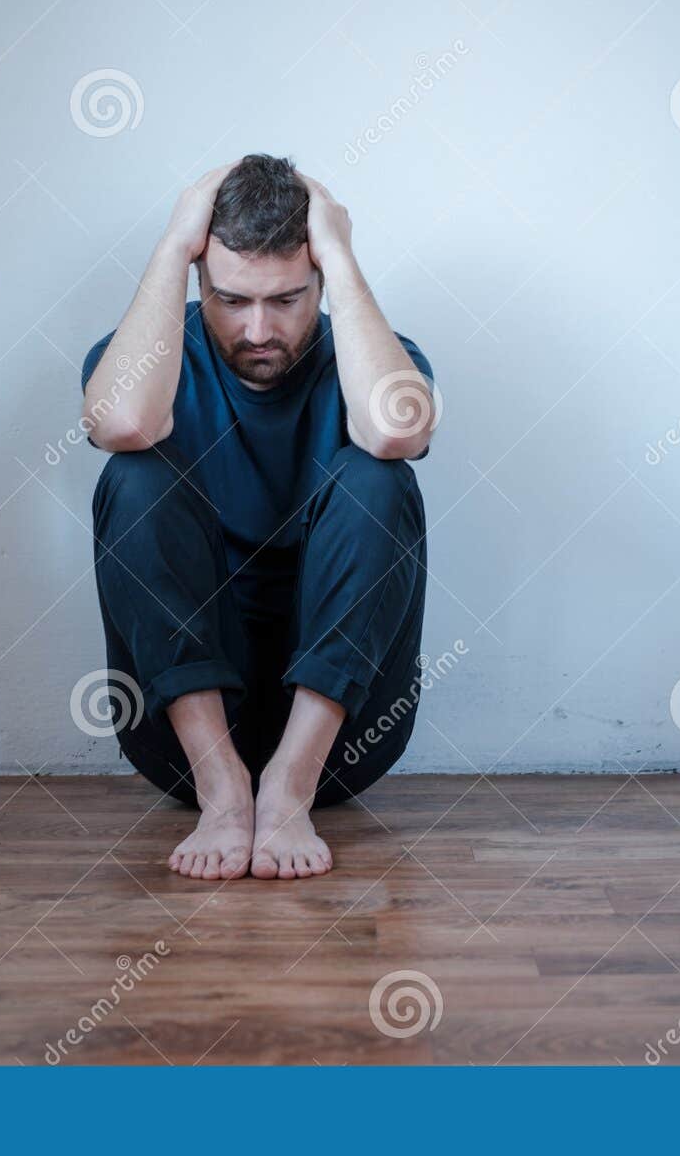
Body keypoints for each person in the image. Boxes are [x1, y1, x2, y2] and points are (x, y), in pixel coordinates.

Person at [79, 154, 439, 882]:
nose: (257, 329)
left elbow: (398, 431)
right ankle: (225, 789)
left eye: (286, 300)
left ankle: (286, 787)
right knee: (135, 469)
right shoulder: (151, 356)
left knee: (378, 474)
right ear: (198, 277)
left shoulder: (368, 358)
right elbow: (120, 420)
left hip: (345, 736)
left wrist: (338, 252)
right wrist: (169, 247)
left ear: (320, 283)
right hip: (181, 740)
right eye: (232, 299)